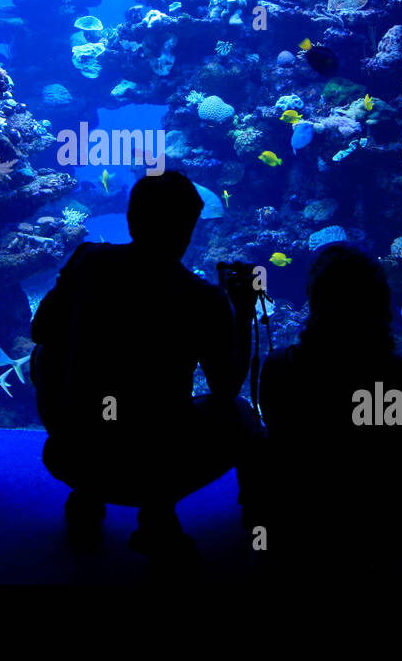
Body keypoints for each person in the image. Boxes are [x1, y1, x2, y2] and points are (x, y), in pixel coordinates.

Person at [30, 170, 261, 561]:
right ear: (189, 230)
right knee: (238, 413)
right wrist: (240, 312)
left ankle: (87, 497)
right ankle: (164, 516)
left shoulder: (87, 260)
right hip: (156, 465)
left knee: (45, 354)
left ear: (131, 218)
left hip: (71, 452)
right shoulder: (202, 298)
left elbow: (41, 330)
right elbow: (224, 388)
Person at [252, 244, 402, 573]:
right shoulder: (401, 372)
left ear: (316, 300)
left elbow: (277, 436)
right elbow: (396, 445)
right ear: (380, 303)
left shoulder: (279, 365)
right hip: (386, 520)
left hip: (301, 518)